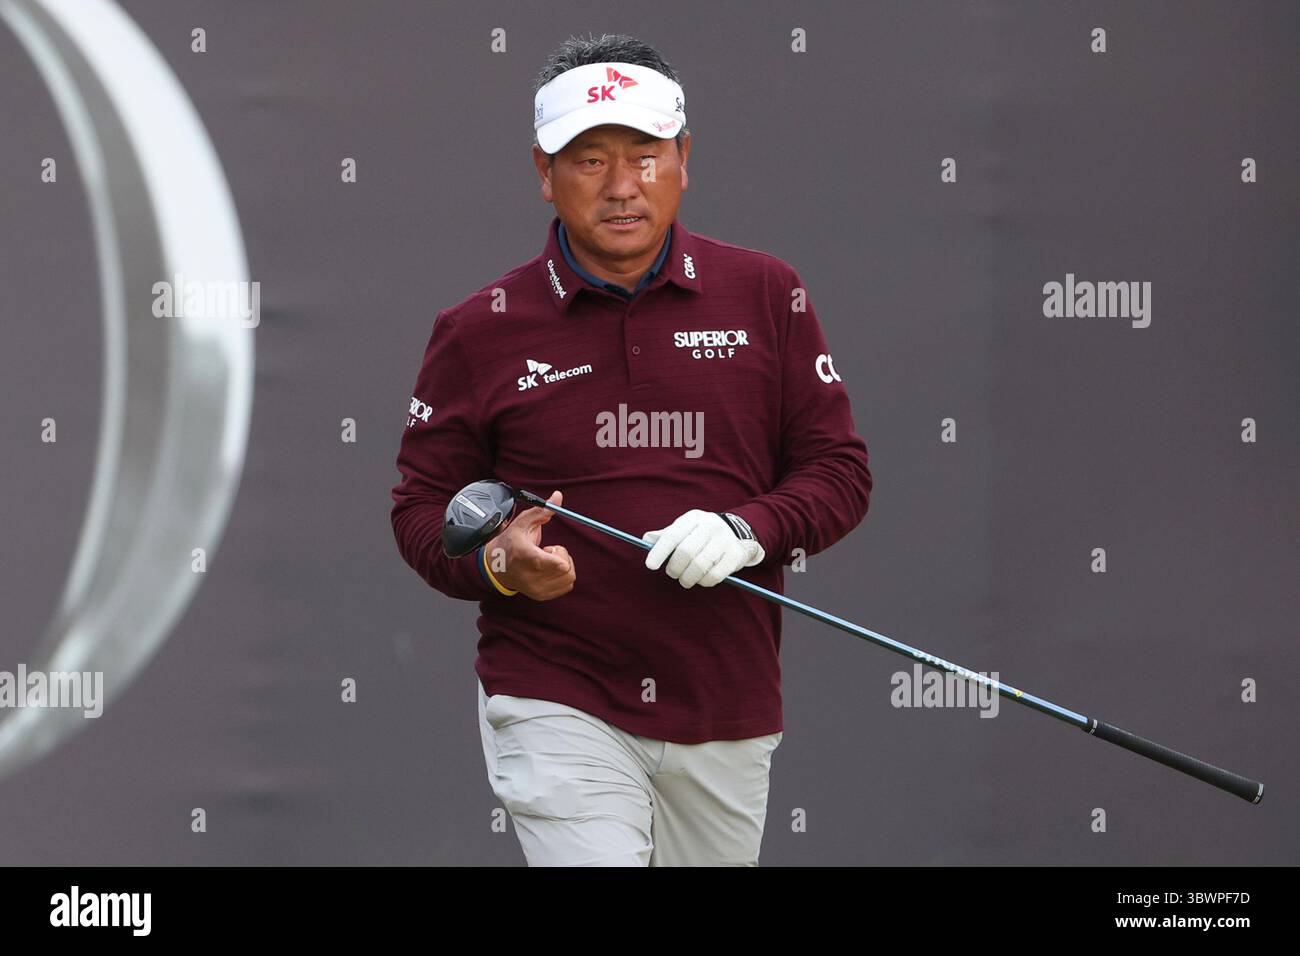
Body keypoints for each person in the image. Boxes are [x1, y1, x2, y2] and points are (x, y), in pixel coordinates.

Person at [390, 33, 872, 866]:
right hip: (554, 689)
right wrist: (498, 566)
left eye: (645, 157)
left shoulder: (767, 292)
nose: (622, 187)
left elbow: (839, 472)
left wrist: (747, 530)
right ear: (544, 172)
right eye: (589, 160)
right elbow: (420, 513)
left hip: (726, 699)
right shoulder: (478, 329)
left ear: (683, 159)